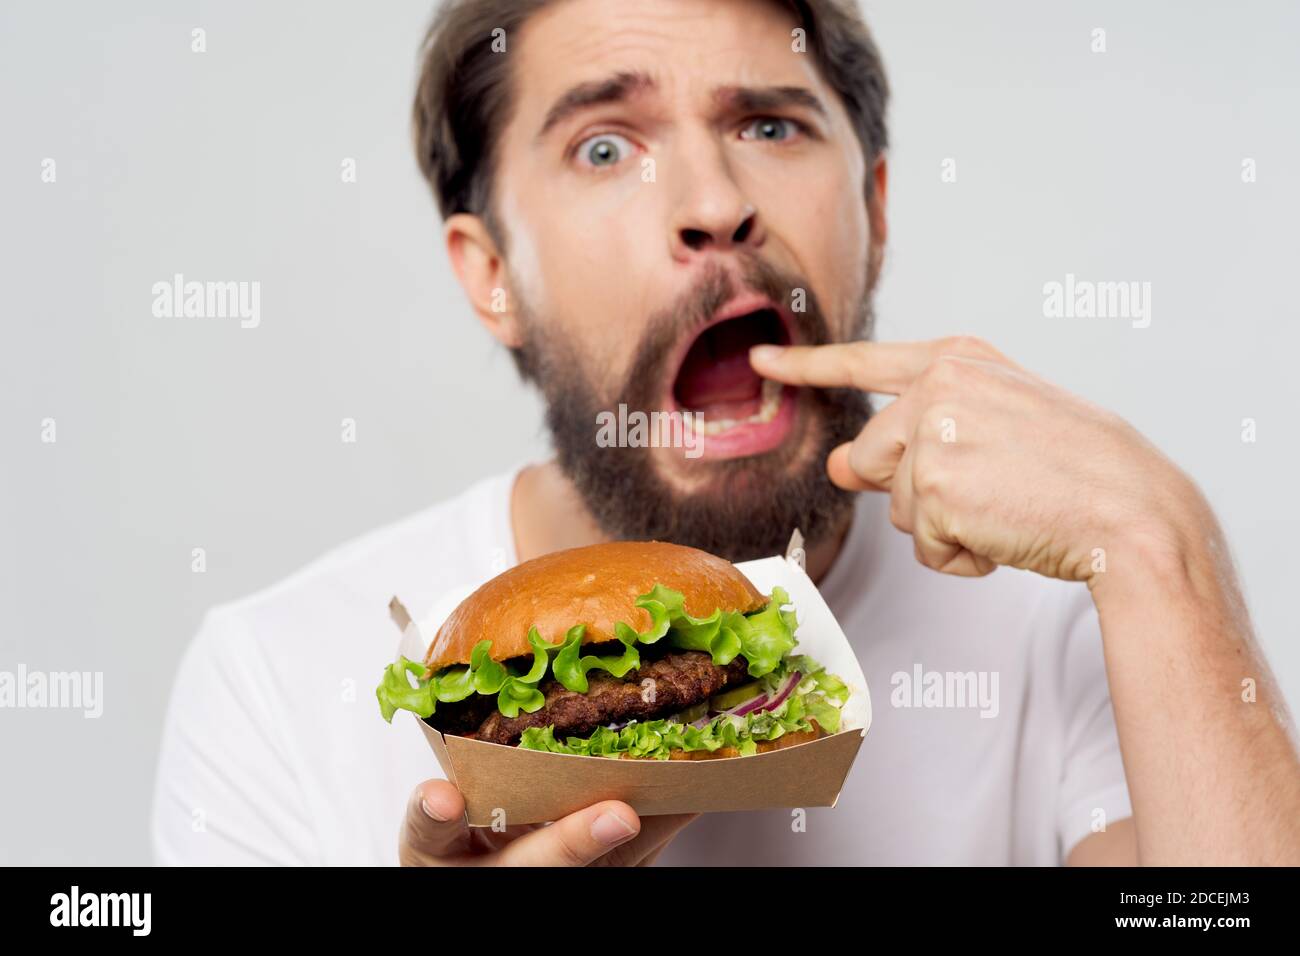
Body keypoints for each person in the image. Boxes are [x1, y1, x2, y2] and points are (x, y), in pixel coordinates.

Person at [152, 0, 1300, 866]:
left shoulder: (1066, 628)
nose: (712, 200)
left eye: (769, 123)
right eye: (605, 144)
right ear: (493, 274)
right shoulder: (271, 679)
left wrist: (1160, 546)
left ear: (876, 214)